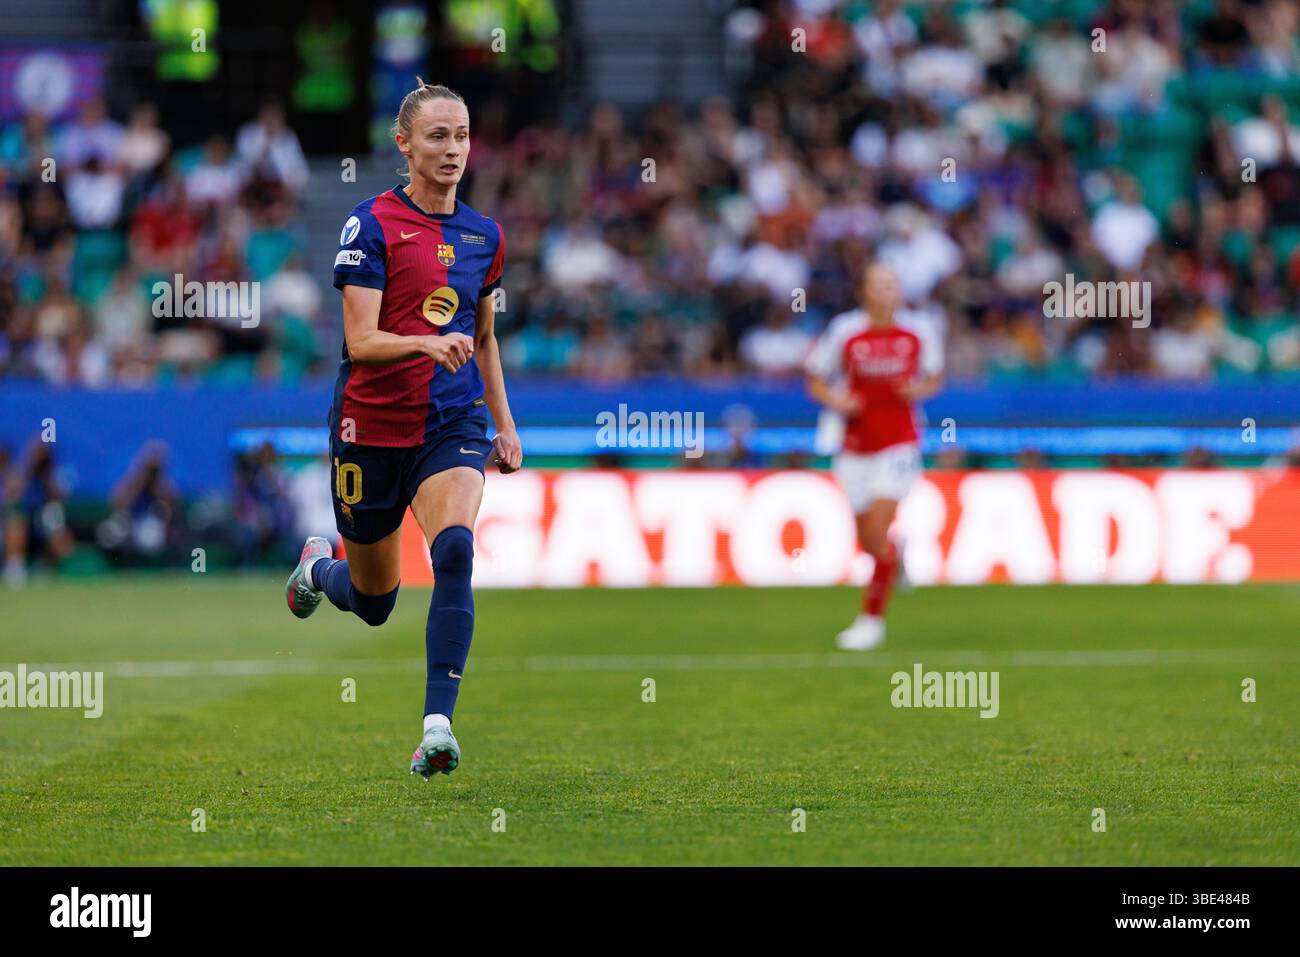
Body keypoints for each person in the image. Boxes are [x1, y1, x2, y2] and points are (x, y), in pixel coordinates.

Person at [283, 79, 522, 779]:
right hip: (368, 429)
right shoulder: (372, 225)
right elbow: (359, 340)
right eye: (438, 136)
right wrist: (422, 342)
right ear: (405, 143)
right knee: (375, 601)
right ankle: (318, 569)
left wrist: (504, 427)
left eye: (463, 136)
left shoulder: (486, 236)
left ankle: (437, 726)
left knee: (454, 550)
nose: (453, 150)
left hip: (451, 423)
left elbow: (483, 338)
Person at [805, 263, 943, 650]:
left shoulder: (919, 330)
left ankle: (871, 621)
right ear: (863, 292)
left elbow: (934, 377)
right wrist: (837, 400)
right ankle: (896, 556)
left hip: (899, 441)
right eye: (878, 285)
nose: (886, 291)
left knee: (878, 532)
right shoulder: (844, 332)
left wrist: (919, 390)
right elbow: (816, 378)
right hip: (854, 445)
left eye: (892, 284)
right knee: (869, 541)